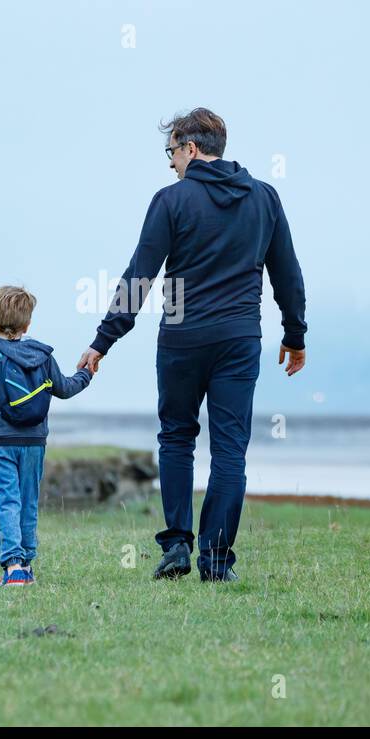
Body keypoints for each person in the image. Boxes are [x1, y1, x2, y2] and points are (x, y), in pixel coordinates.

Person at [78, 108, 307, 582]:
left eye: (172, 152)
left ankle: (178, 545)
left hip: (182, 337)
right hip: (240, 338)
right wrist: (294, 335)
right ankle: (217, 562)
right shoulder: (265, 198)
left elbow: (139, 276)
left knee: (177, 437)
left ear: (191, 148)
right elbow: (287, 274)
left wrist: (103, 341)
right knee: (229, 452)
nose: (170, 164)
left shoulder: (171, 201)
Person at [0, 286, 94, 587]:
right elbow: (66, 388)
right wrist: (87, 373)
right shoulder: (42, 355)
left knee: (8, 502)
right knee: (29, 502)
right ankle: (27, 565)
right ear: (27, 324)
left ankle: (13, 565)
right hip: (34, 444)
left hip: (1, 445)